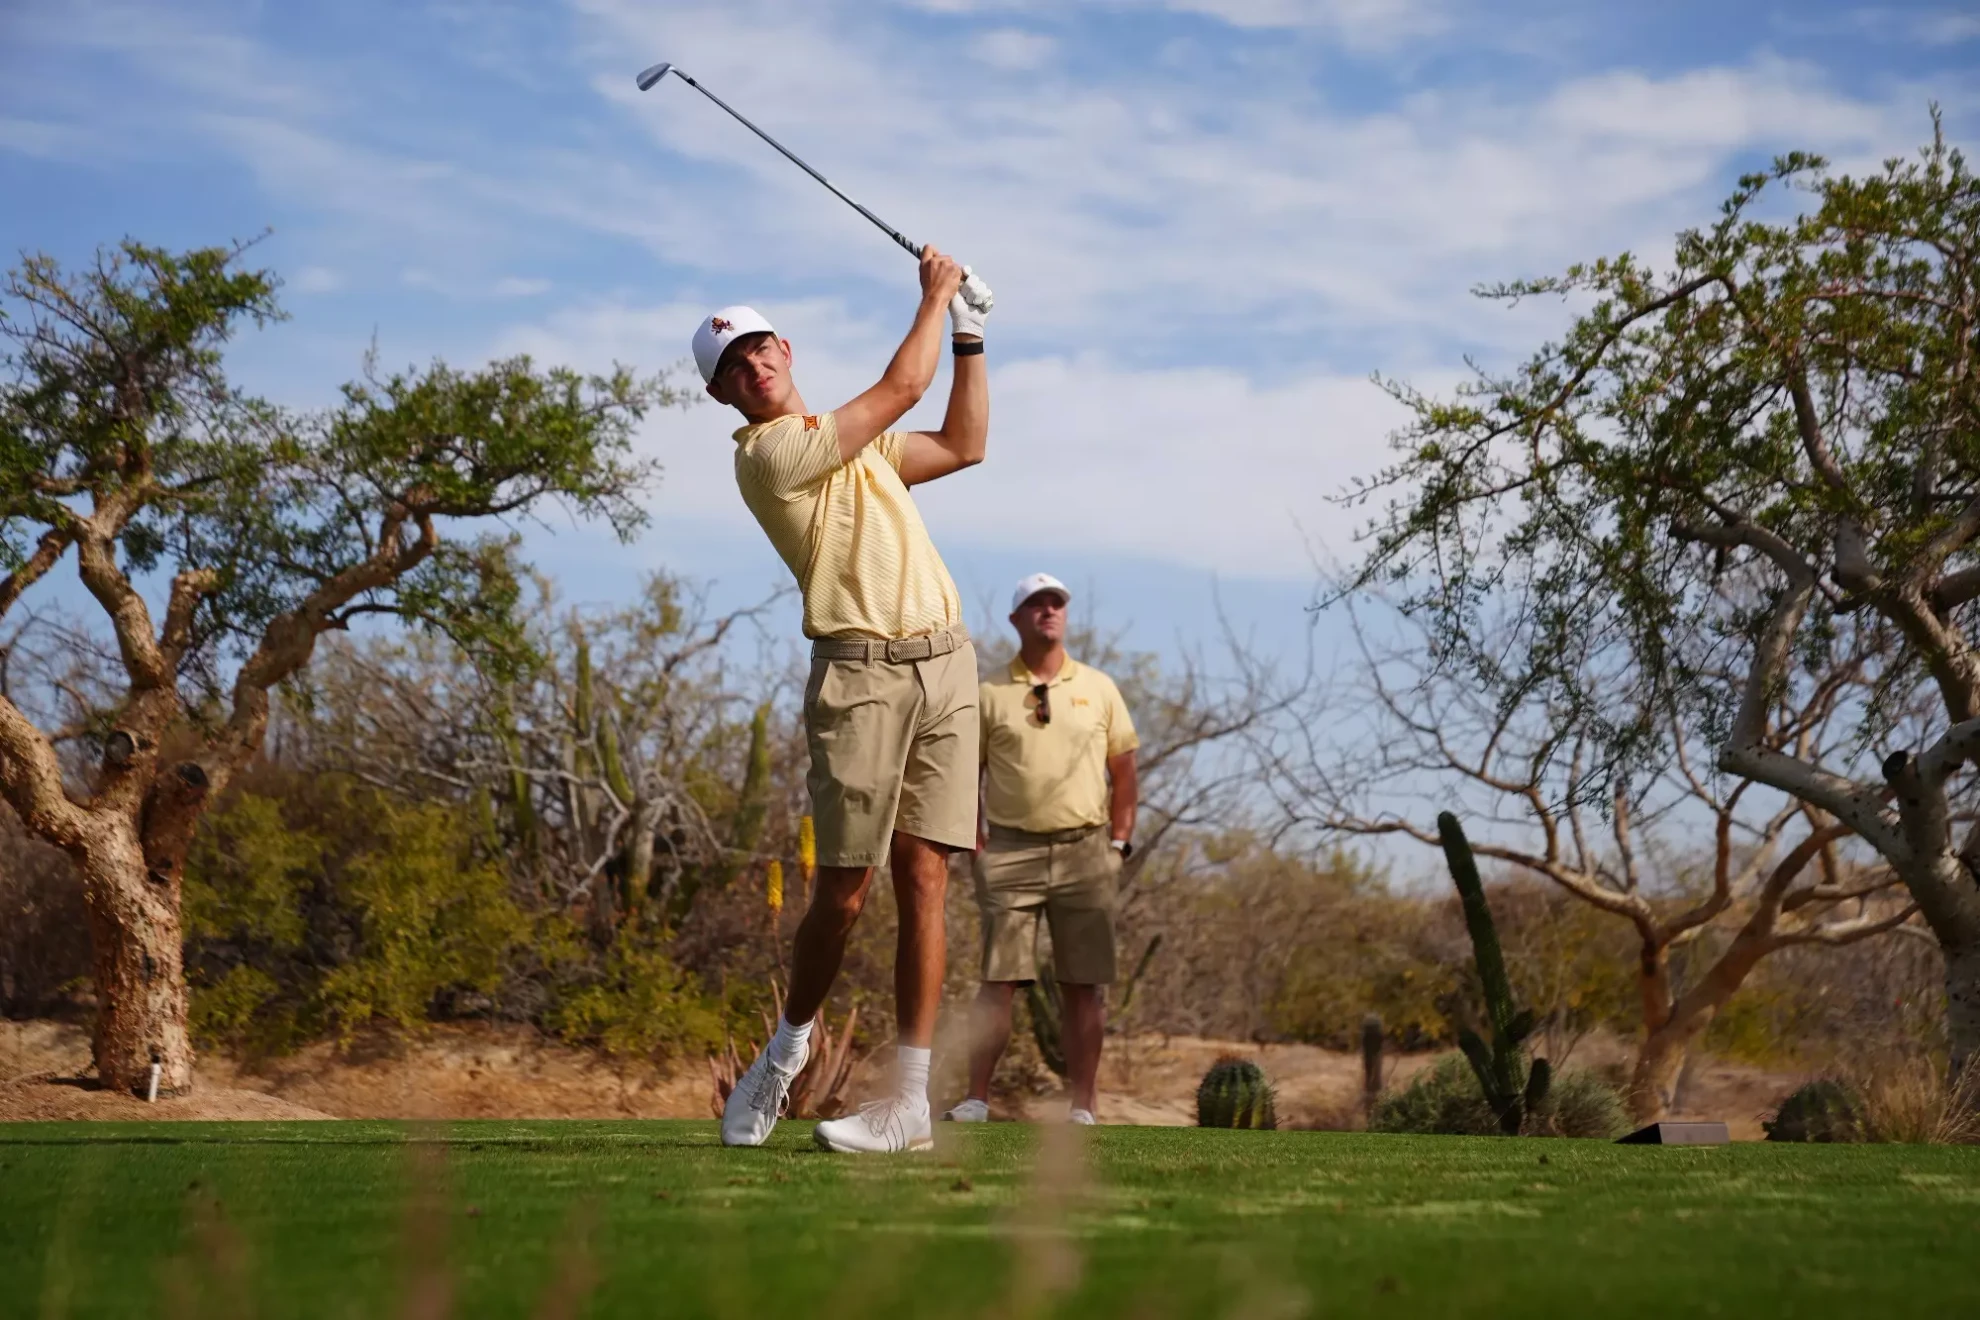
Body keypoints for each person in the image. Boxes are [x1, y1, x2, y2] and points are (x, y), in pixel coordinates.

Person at [698, 246, 989, 1155]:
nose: (754, 366)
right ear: (727, 398)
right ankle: (787, 1053)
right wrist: (939, 295)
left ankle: (909, 1106)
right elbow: (904, 387)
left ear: (785, 346)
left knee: (927, 879)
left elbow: (963, 443)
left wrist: (971, 335)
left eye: (759, 348)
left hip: (946, 663)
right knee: (846, 892)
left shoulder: (855, 448)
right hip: (859, 677)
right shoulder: (771, 454)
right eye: (735, 368)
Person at [945, 573, 1138, 1126]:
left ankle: (1083, 1106)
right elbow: (966, 775)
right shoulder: (989, 694)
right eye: (1036, 604)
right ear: (1016, 619)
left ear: (1065, 616)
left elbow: (1123, 770)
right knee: (998, 980)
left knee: (1084, 983)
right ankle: (977, 1099)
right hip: (1009, 852)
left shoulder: (1099, 688)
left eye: (1056, 603)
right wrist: (977, 843)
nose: (1048, 611)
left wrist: (1118, 844)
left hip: (1086, 852)